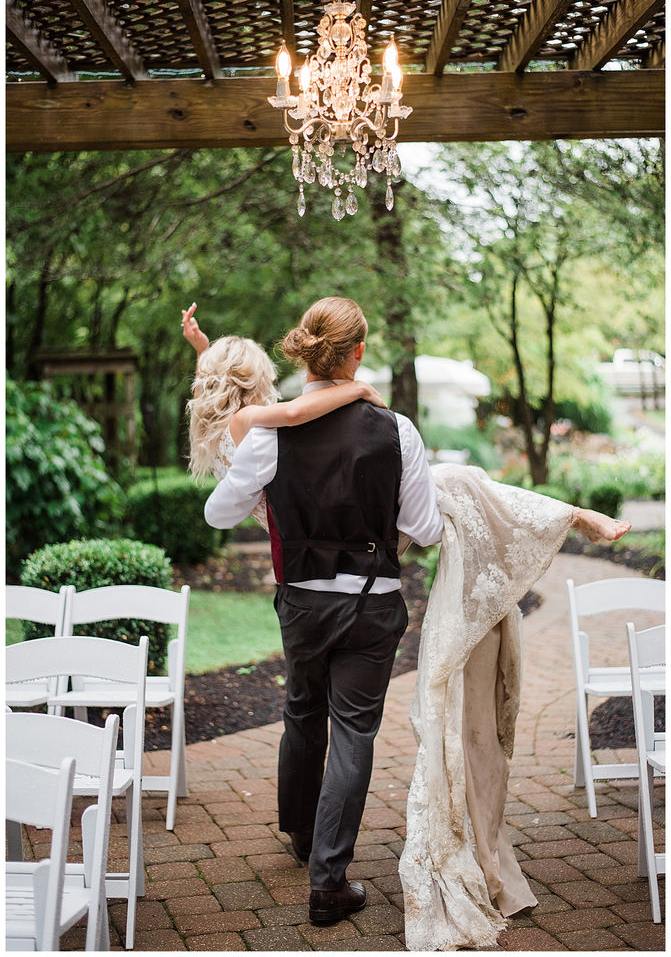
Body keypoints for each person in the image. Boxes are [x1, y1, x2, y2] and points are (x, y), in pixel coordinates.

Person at [182, 300, 630, 942]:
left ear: (306, 354)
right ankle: (328, 882)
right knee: (355, 732)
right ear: (358, 352)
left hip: (302, 603)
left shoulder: (269, 434)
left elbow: (221, 515)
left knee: (303, 711)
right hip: (370, 601)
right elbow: (422, 527)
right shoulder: (397, 432)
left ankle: (303, 837)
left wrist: (273, 495)